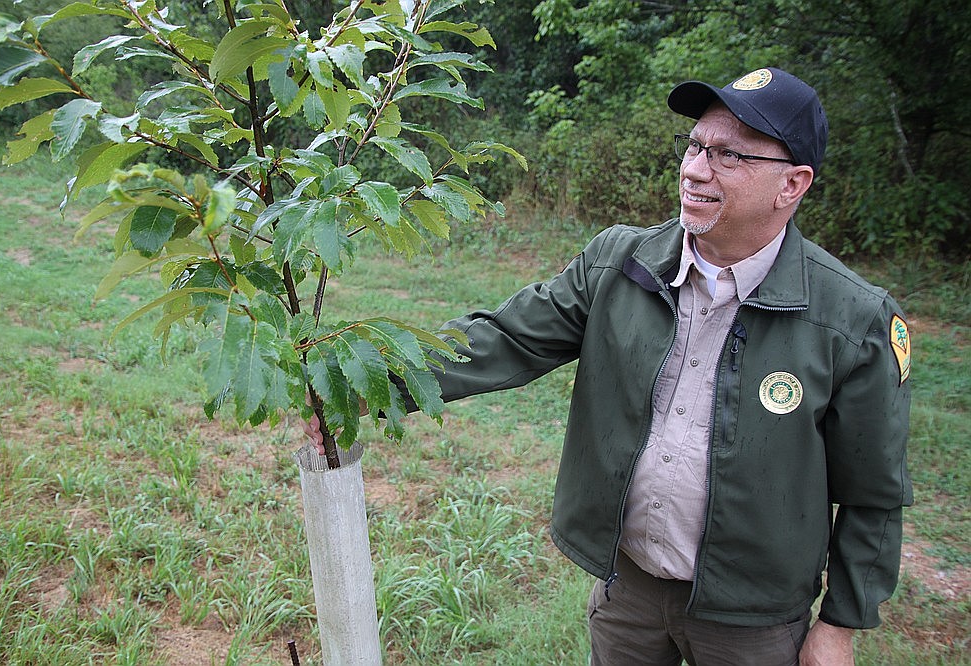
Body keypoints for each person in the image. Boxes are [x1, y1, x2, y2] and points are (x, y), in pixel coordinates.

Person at [306, 67, 913, 665]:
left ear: (792, 184)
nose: (695, 169)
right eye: (694, 145)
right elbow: (507, 338)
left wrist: (839, 625)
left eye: (729, 155)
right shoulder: (622, 263)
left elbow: (874, 493)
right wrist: (372, 382)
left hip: (753, 618)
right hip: (630, 590)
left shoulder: (852, 321)